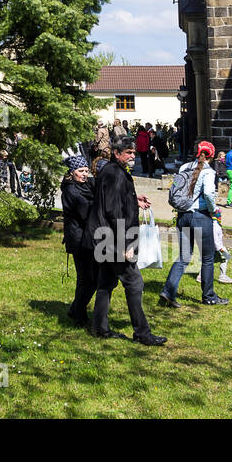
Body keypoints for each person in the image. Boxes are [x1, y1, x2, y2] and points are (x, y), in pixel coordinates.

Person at [88, 138, 166, 346]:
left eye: (133, 152)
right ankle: (142, 332)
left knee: (106, 282)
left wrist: (134, 199)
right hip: (113, 238)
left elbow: (113, 201)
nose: (133, 156)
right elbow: (112, 211)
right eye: (128, 152)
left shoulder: (114, 171)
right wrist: (123, 245)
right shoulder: (114, 173)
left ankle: (99, 327)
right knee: (134, 283)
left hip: (106, 235)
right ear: (116, 153)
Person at [159, 141, 228, 308]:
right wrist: (213, 211)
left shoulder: (184, 167)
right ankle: (209, 296)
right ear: (212, 155)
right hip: (200, 217)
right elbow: (209, 194)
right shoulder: (209, 172)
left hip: (182, 216)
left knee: (183, 256)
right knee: (207, 258)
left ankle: (168, 291)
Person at [60, 154, 97, 328]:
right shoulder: (70, 190)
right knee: (86, 279)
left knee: (92, 279)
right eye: (80, 171)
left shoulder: (88, 185)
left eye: (86, 171)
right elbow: (85, 212)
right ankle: (78, 315)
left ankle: (76, 309)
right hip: (79, 240)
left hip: (89, 237)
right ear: (72, 172)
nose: (84, 174)